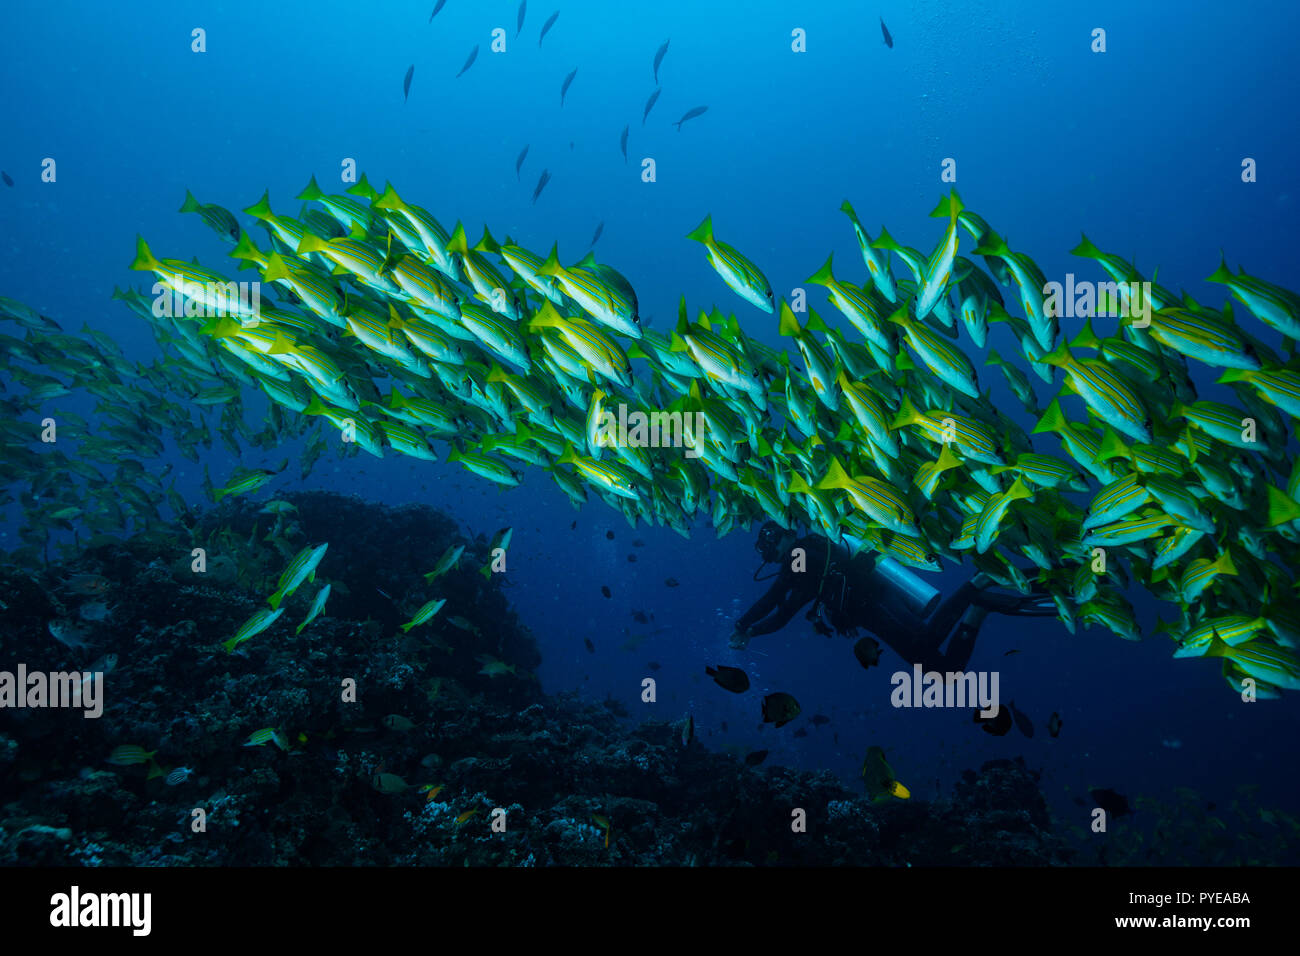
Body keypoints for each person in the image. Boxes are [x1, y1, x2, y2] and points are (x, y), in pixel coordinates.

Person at [730, 522, 1056, 672]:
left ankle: (978, 583)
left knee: (926, 641)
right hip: (868, 610)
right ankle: (977, 609)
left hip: (874, 599)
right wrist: (752, 632)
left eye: (771, 547)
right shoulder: (805, 571)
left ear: (785, 538)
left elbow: (774, 597)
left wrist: (742, 623)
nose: (772, 556)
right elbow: (783, 613)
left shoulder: (801, 554)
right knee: (941, 672)